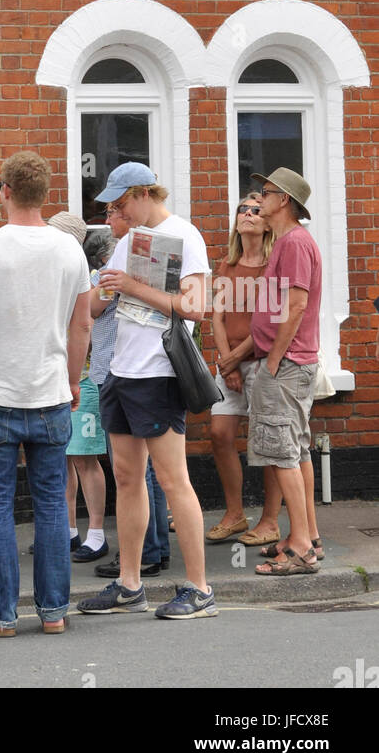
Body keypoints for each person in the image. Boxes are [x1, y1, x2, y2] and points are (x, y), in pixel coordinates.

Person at [0, 152, 92, 636]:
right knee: (53, 503)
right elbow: (82, 324)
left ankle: (1, 616)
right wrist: (74, 380)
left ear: (4, 191)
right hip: (51, 392)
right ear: (45, 194)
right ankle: (53, 613)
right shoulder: (70, 250)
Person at [76, 162, 217, 620]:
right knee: (128, 478)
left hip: (158, 371)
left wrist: (132, 286)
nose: (117, 212)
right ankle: (129, 584)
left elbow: (196, 308)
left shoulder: (184, 235)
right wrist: (102, 287)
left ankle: (199, 589)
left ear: (142, 193)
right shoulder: (126, 243)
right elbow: (97, 307)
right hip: (121, 370)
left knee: (173, 478)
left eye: (120, 204)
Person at [86, 209, 170, 578]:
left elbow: (93, 307)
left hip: (118, 373)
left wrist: (106, 282)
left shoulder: (114, 274)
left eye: (114, 212)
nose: (109, 217)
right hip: (135, 372)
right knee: (147, 472)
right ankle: (156, 549)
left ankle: (144, 553)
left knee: (134, 473)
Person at [247, 169, 323, 577]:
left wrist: (274, 359)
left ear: (285, 202)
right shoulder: (290, 242)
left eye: (267, 192)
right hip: (293, 362)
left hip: (287, 364)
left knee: (282, 453)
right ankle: (307, 535)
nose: (260, 198)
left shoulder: (293, 243)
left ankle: (299, 549)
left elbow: (294, 307)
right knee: (295, 449)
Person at [207, 192, 282, 545]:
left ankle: (270, 519)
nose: (248, 214)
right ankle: (235, 514)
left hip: (262, 363)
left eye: (256, 210)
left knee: (268, 443)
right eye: (242, 210)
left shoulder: (273, 265)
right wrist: (227, 362)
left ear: (267, 224)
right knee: (220, 434)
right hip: (230, 366)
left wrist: (236, 358)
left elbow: (269, 323)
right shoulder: (227, 265)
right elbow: (217, 318)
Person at [46, 213, 107, 562]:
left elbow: (87, 322)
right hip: (55, 379)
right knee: (62, 459)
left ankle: (97, 534)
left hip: (83, 379)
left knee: (85, 458)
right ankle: (67, 531)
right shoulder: (50, 276)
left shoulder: (86, 277)